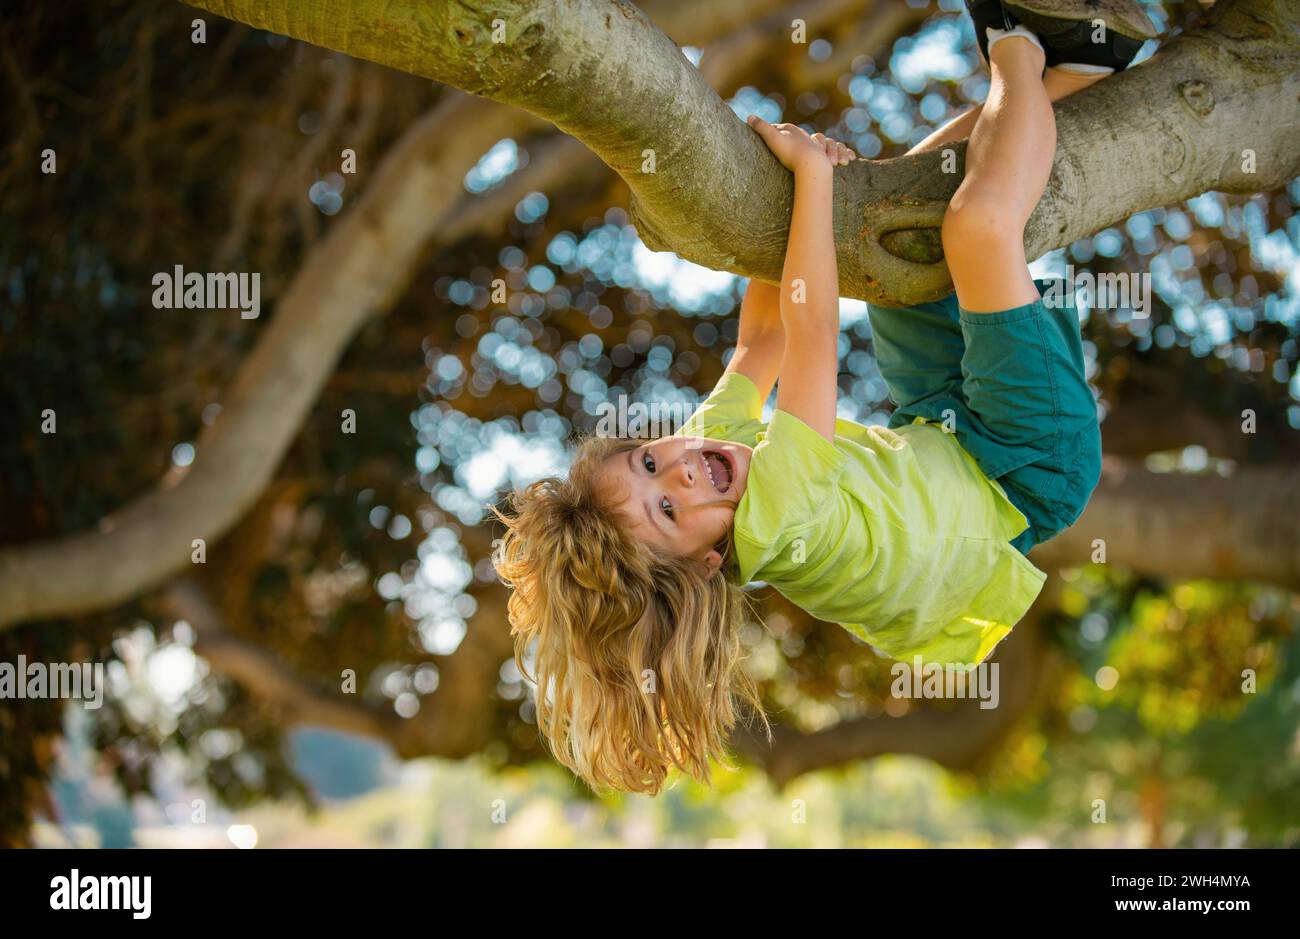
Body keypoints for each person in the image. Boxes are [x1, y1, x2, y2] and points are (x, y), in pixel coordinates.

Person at [492, 1, 1155, 794]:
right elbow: (810, 337)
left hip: (945, 428)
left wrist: (793, 198)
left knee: (893, 221)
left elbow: (760, 343)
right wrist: (811, 176)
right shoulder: (776, 518)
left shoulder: (715, 459)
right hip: (1027, 467)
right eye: (666, 510)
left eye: (646, 460)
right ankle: (1015, 40)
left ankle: (1078, 70)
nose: (678, 473)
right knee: (978, 226)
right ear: (706, 565)